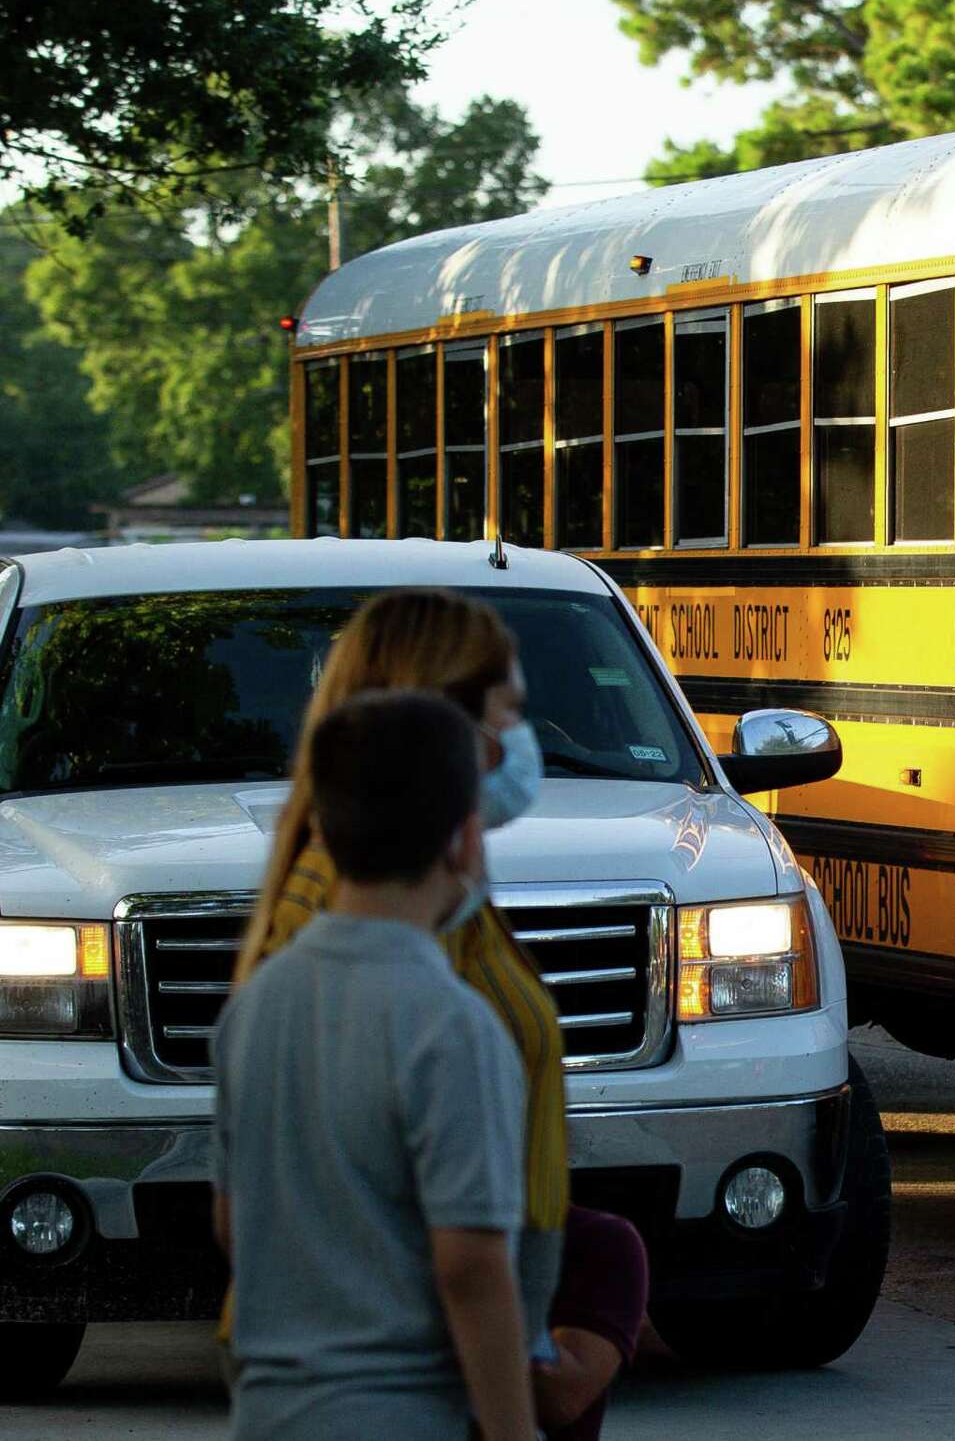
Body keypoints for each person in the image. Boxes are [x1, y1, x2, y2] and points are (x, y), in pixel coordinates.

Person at [227, 590, 646, 1440]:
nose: (523, 743)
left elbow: (241, 1212)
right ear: (451, 732)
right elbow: (461, 1255)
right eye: (513, 714)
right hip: (425, 1386)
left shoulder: (387, 931)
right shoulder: (418, 984)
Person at [213, 690, 537, 1439]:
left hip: (267, 1413)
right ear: (464, 839)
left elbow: (234, 1221)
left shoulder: (255, 1007)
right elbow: (471, 1265)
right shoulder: (455, 1027)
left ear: (323, 830)